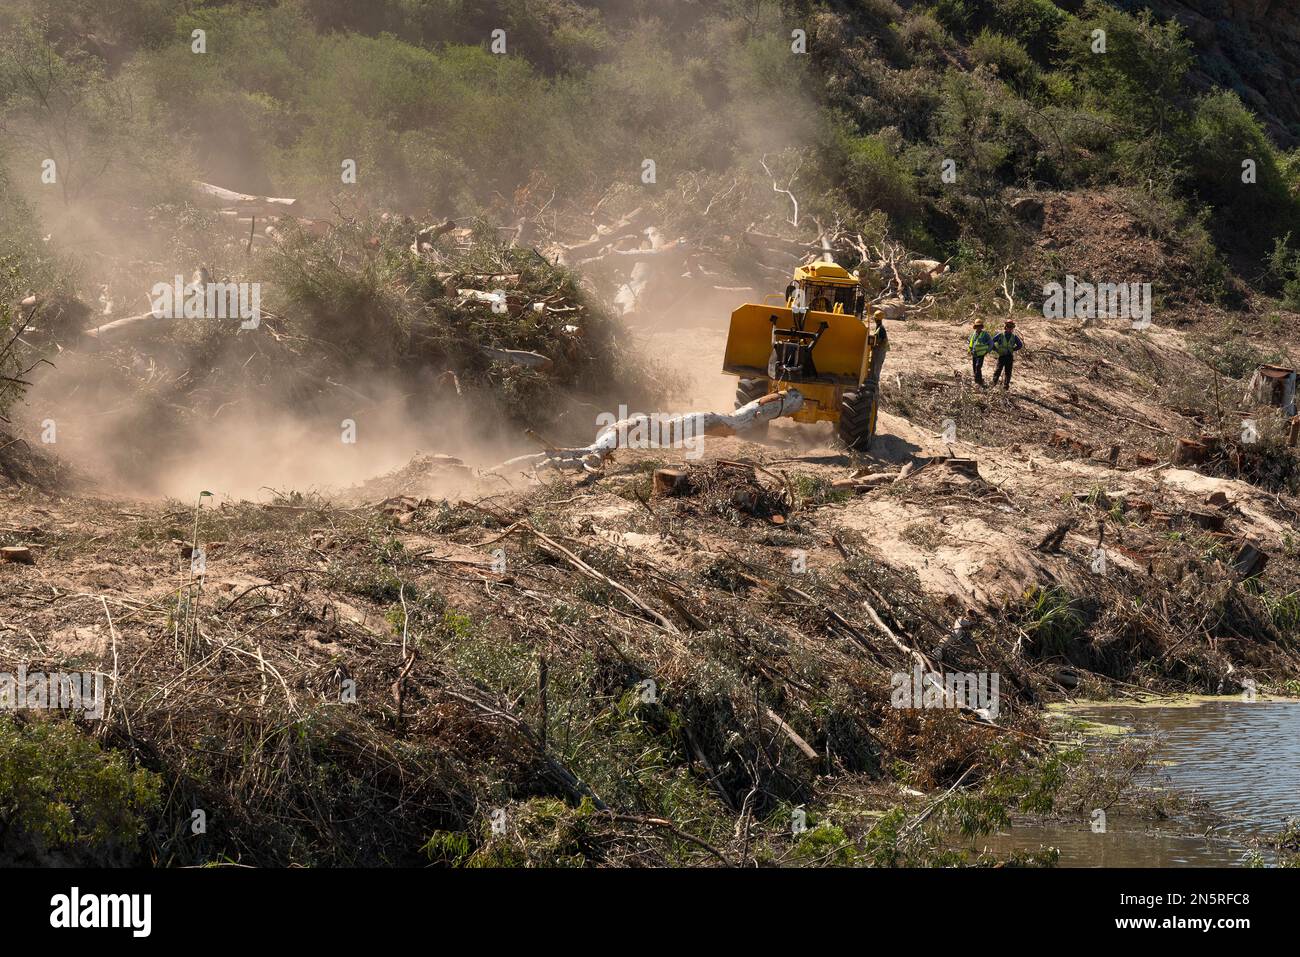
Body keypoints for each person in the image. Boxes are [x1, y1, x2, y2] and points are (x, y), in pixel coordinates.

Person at [991, 319, 1024, 390]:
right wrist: (996, 349)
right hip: (1002, 356)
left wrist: (1013, 349)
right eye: (1008, 326)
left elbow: (1020, 345)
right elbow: (991, 341)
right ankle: (993, 384)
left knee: (1008, 372)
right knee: (998, 370)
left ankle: (1005, 387)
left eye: (1011, 327)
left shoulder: (1014, 336)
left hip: (1009, 356)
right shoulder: (1000, 335)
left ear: (1012, 328)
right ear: (1005, 327)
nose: (1009, 328)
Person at [967, 319, 993, 385]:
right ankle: (977, 381)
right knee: (974, 367)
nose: (978, 327)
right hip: (974, 353)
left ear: (981, 327)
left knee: (978, 366)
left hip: (981, 354)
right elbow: (969, 342)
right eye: (977, 326)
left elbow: (991, 343)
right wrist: (969, 350)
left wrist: (987, 351)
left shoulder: (985, 334)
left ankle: (979, 381)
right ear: (975, 327)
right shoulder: (973, 334)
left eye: (979, 326)